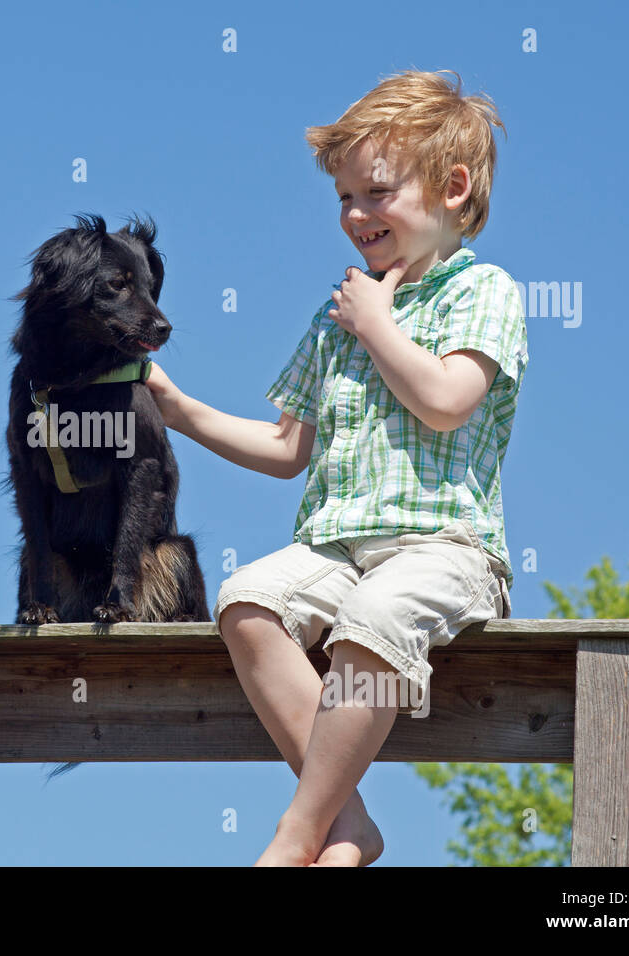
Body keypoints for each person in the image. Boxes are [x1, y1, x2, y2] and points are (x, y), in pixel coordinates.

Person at [144, 70, 528, 865]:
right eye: (344, 198)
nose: (355, 215)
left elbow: (449, 400)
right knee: (246, 600)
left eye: (376, 192)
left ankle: (296, 832)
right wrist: (180, 411)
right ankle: (346, 823)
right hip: (336, 548)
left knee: (376, 621)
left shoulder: (482, 290)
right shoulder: (341, 314)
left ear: (454, 188)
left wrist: (379, 327)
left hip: (443, 550)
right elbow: (290, 450)